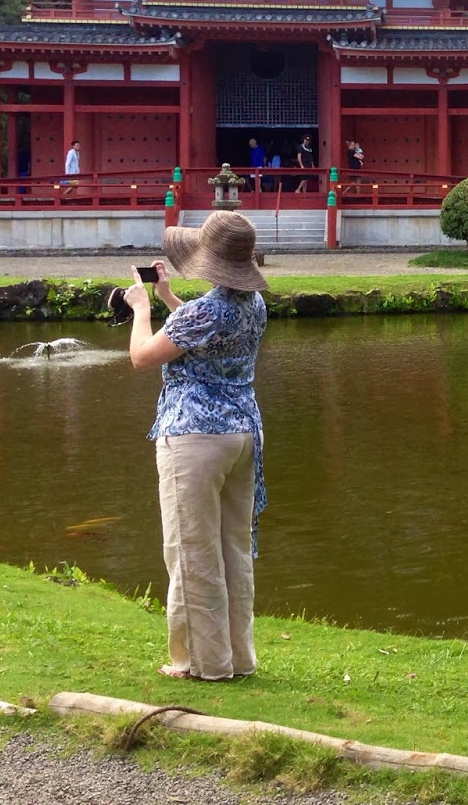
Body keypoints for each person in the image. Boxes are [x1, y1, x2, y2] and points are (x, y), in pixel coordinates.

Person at [124, 211, 269, 681]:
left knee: (191, 551)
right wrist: (167, 295)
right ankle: (238, 658)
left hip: (195, 437)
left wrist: (141, 309)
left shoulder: (205, 311)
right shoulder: (251, 304)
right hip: (242, 433)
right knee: (232, 549)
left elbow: (143, 358)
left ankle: (205, 664)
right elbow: (201, 332)